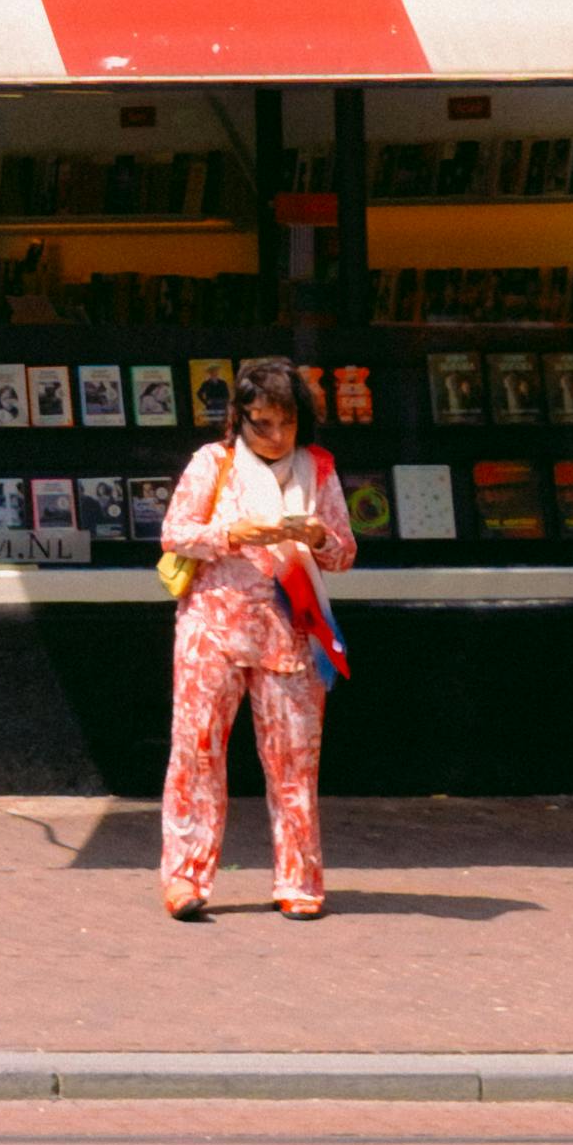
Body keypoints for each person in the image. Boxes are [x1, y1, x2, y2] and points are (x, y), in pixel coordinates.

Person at [153, 354, 357, 922]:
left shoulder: (317, 469)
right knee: (196, 753)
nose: (274, 436)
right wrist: (232, 533)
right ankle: (185, 879)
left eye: (285, 422)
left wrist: (317, 535)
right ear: (238, 419)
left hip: (291, 635)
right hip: (211, 633)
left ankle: (298, 880)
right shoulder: (211, 463)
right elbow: (174, 533)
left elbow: (343, 553)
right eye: (260, 423)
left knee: (294, 762)